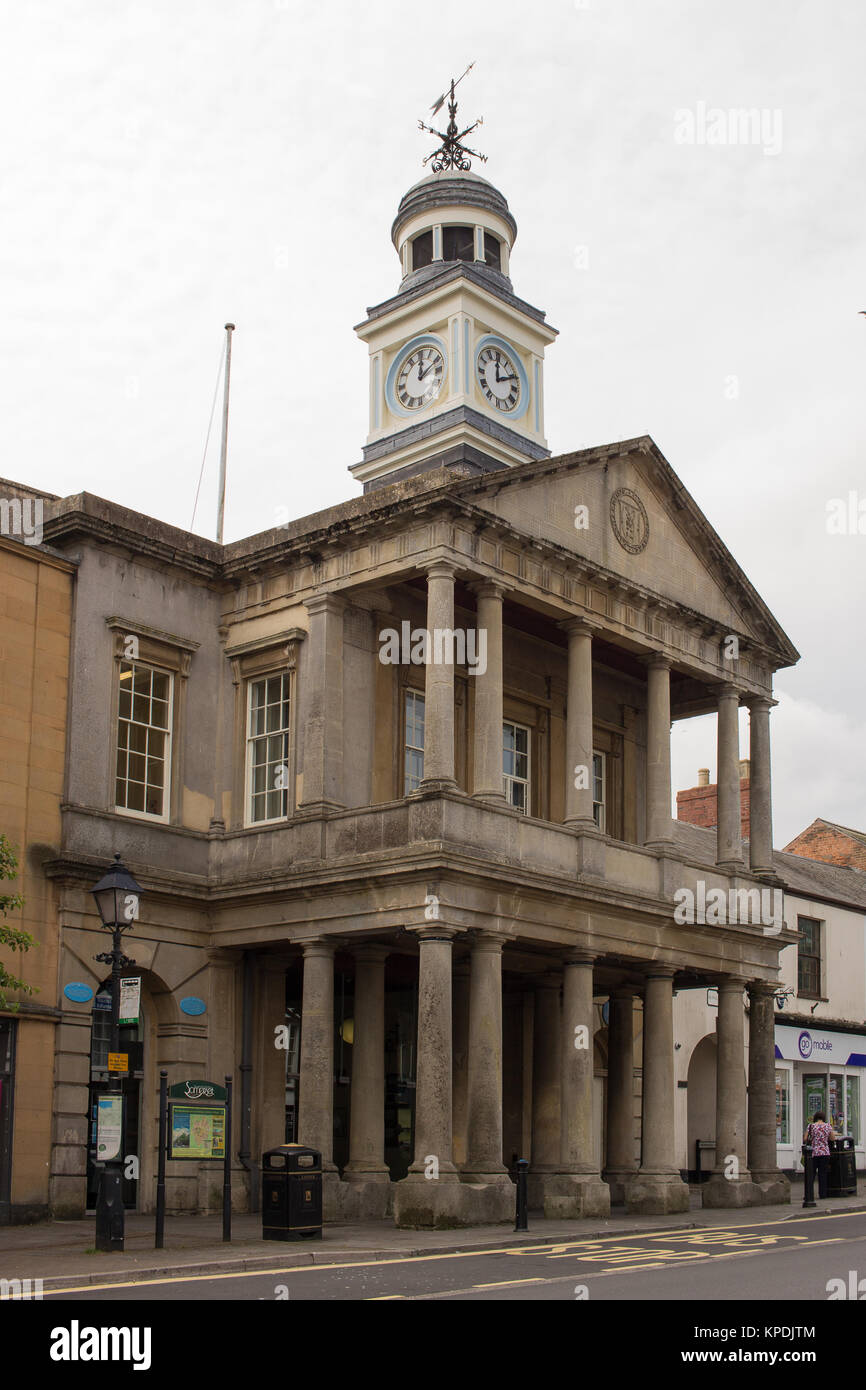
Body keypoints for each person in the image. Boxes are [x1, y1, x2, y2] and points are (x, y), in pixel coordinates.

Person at [804, 1110, 836, 1198]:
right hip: (825, 1152)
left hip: (813, 1153)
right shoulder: (828, 1126)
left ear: (815, 1117)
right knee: (823, 1174)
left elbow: (805, 1138)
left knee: (812, 1173)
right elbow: (832, 1138)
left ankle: (809, 1194)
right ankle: (822, 1194)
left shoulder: (811, 1126)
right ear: (823, 1118)